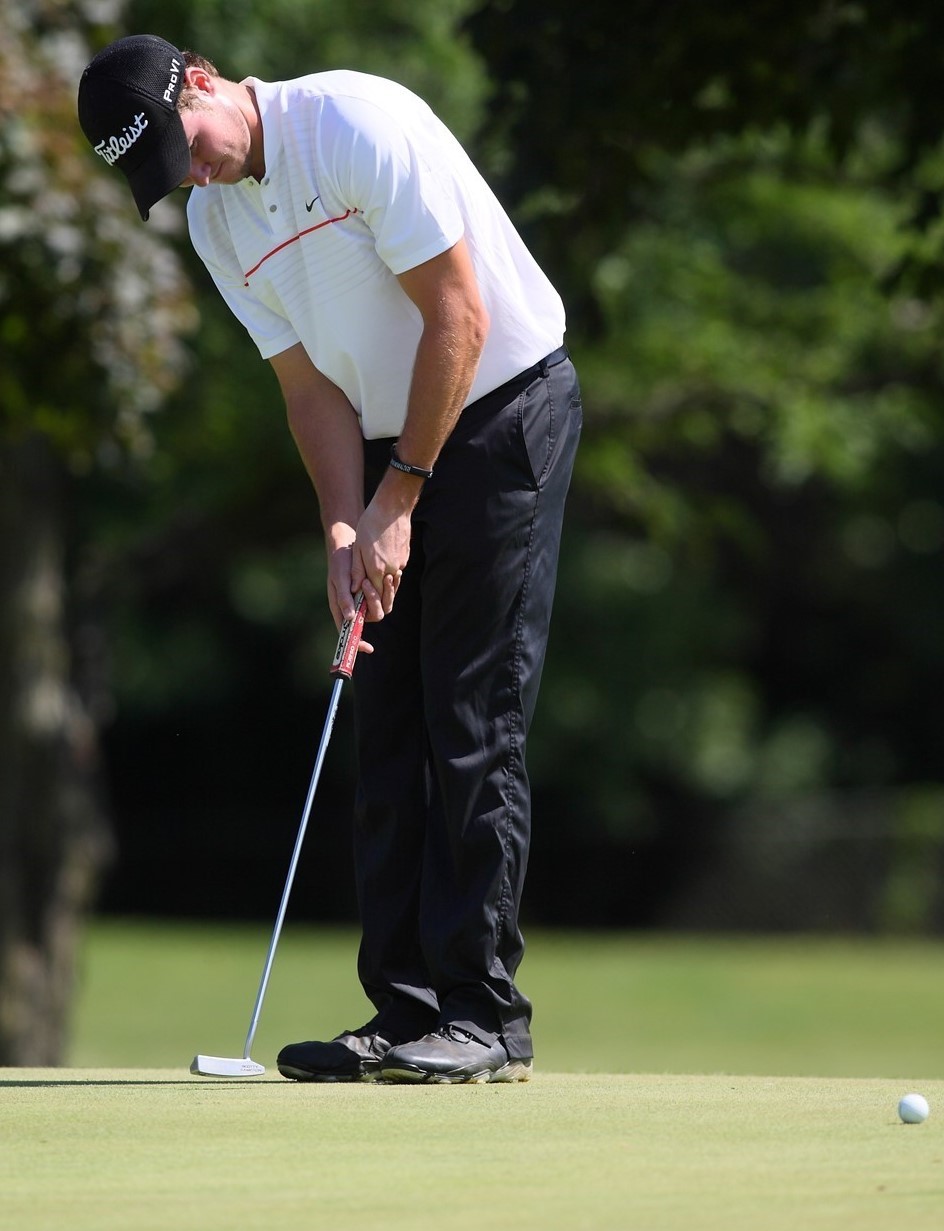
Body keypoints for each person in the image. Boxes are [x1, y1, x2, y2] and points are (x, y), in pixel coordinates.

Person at [77, 33, 581, 1084]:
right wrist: (345, 530)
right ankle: (402, 1013)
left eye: (188, 146)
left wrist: (403, 492)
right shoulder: (215, 221)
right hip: (387, 446)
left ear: (203, 81)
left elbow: (459, 312)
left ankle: (484, 1015)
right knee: (384, 717)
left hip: (499, 413)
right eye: (165, 174)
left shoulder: (351, 122)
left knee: (469, 715)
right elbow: (309, 391)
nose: (193, 174)